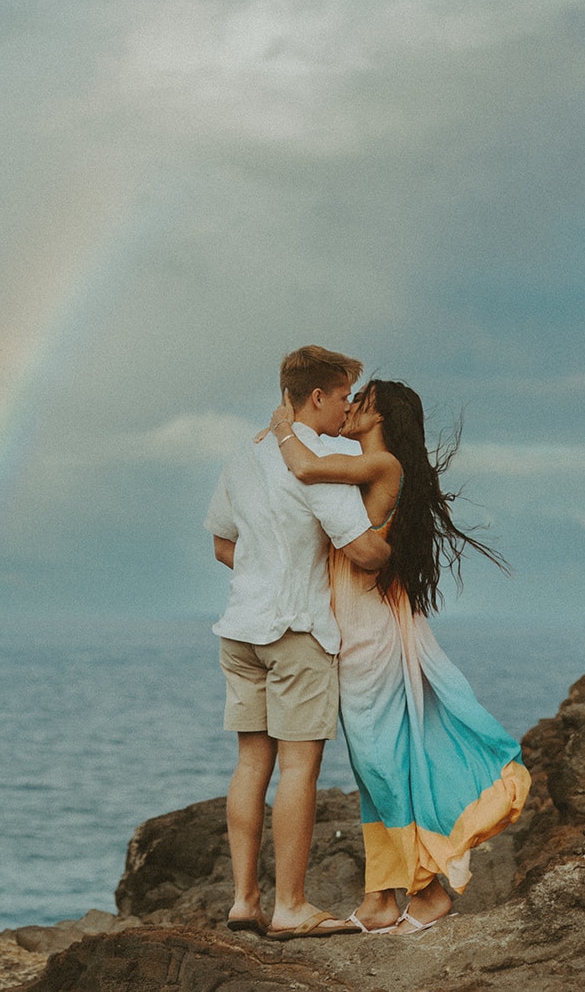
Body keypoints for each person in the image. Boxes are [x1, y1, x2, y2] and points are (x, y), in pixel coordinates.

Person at [265, 379, 530, 935]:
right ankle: (381, 898)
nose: (351, 405)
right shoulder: (363, 463)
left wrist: (284, 425)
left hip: (372, 635)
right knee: (370, 767)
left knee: (383, 763)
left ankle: (429, 892)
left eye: (360, 400)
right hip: (351, 628)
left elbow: (306, 470)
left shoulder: (382, 464)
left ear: (380, 413)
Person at [204, 345, 391, 940]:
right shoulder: (328, 453)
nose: (346, 410)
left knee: (250, 763)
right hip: (297, 631)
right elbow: (361, 550)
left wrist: (265, 573)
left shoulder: (244, 453)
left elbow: (222, 546)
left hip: (241, 628)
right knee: (299, 771)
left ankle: (243, 902)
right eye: (342, 398)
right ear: (317, 396)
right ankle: (290, 908)